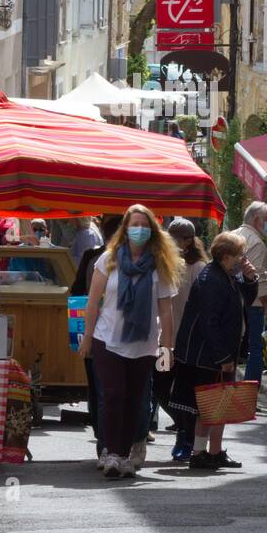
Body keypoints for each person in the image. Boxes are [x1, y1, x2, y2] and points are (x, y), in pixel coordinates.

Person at [78, 205, 181, 478]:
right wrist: (87, 337)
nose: (139, 230)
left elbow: (166, 311)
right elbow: (92, 302)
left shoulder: (159, 265)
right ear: (125, 229)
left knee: (134, 401)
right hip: (107, 339)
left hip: (144, 344)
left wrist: (167, 348)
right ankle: (110, 452)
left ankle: (123, 455)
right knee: (113, 395)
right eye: (134, 224)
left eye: (145, 225)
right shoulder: (108, 260)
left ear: (152, 231)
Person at [173, 231, 259, 471]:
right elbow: (208, 322)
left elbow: (242, 300)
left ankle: (215, 451)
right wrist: (222, 357)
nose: (243, 259)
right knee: (208, 407)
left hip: (220, 353)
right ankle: (200, 453)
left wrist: (251, 280)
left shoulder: (225, 275)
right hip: (207, 355)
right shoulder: (212, 279)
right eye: (240, 254)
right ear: (226, 256)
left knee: (220, 405)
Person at [70, 215, 121, 459]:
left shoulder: (91, 256)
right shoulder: (124, 259)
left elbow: (76, 291)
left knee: (97, 388)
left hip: (91, 332)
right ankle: (112, 442)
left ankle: (103, 440)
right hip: (115, 334)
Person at [158, 219, 209, 462]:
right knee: (160, 387)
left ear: (188, 241)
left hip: (188, 343)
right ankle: (182, 426)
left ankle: (185, 438)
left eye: (176, 239)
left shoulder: (198, 268)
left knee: (184, 392)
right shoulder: (167, 265)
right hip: (166, 340)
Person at [235, 202, 267, 384]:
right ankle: (251, 391)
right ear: (256, 220)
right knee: (255, 349)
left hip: (233, 299)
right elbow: (259, 281)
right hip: (252, 304)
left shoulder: (233, 235)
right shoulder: (257, 243)